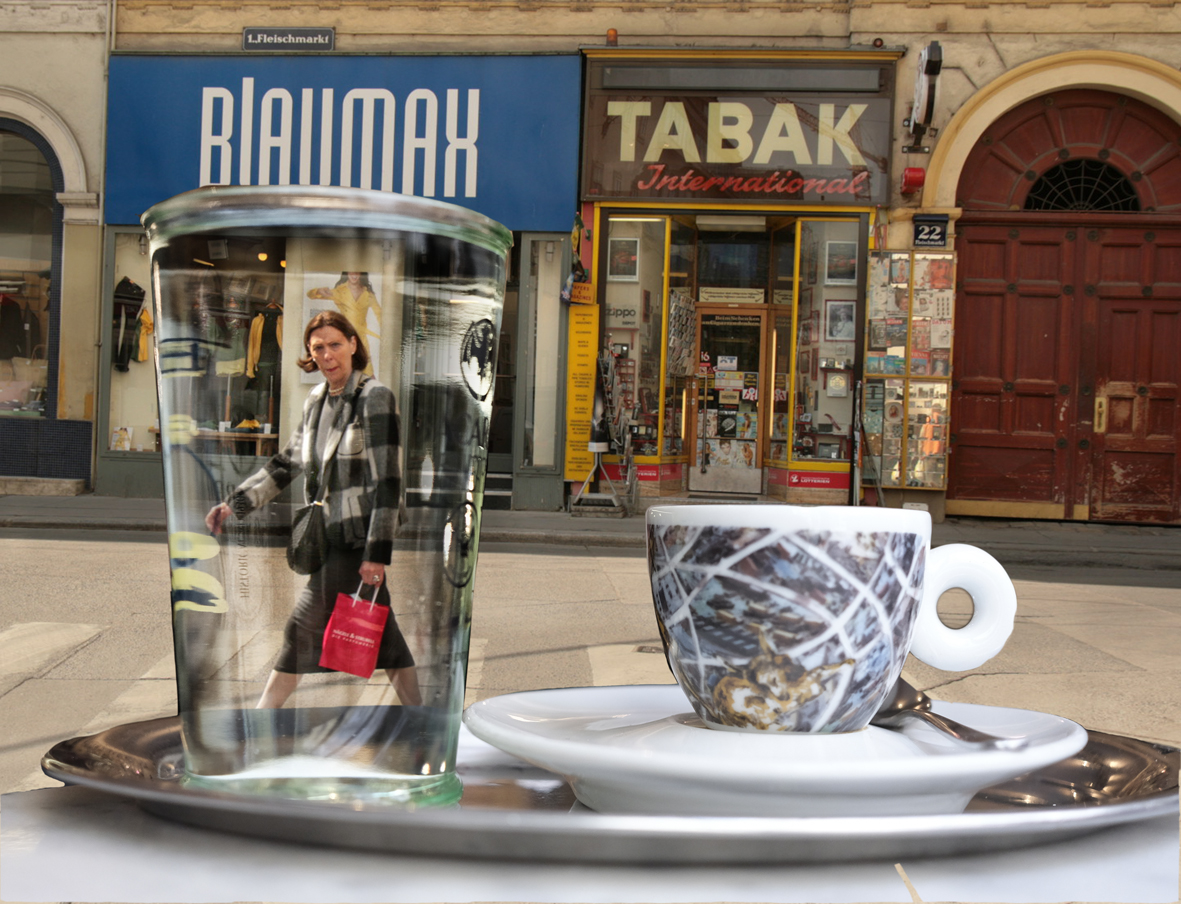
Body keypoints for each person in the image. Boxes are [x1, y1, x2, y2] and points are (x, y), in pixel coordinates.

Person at [205, 310, 421, 709]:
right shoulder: (317, 400)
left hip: (355, 540)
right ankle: (421, 716)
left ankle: (263, 717)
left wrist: (376, 554)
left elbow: (389, 482)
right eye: (317, 348)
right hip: (324, 537)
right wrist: (235, 504)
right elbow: (287, 463)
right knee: (385, 638)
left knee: (301, 627)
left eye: (335, 345)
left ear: (353, 345)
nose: (327, 355)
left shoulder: (375, 398)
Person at [308, 272, 379, 375]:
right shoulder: (340, 292)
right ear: (347, 274)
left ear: (361, 274)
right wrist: (318, 291)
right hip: (344, 337)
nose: (354, 275)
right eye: (351, 272)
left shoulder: (368, 294)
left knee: (368, 373)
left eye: (357, 272)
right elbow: (310, 294)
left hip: (361, 338)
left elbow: (380, 314)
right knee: (343, 371)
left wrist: (387, 331)